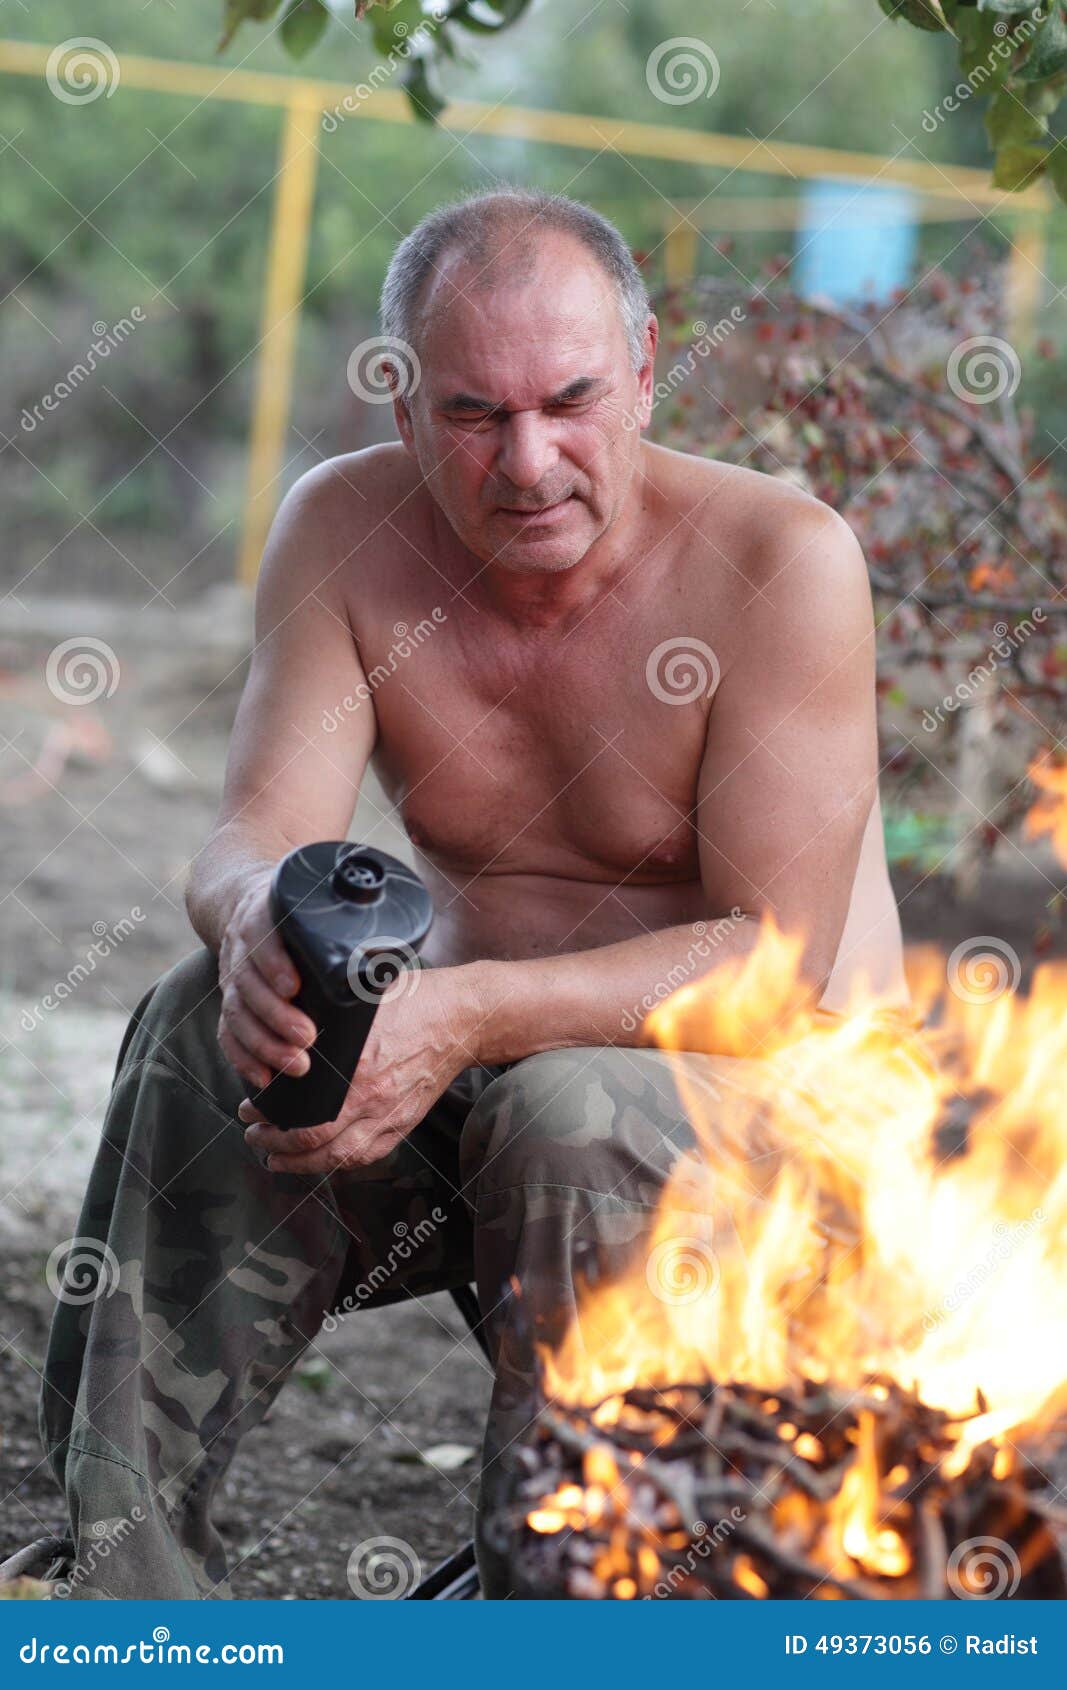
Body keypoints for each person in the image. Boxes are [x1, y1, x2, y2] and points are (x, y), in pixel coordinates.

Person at [39, 186, 910, 1599]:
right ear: (401, 406)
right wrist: (256, 912)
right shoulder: (344, 530)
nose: (528, 460)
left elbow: (778, 965)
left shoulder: (779, 561)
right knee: (212, 1019)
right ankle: (131, 1588)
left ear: (642, 373)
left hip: (784, 1152)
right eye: (472, 414)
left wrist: (461, 1017)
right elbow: (249, 835)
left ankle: (568, 1606)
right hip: (489, 1098)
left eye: (570, 400)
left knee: (568, 1104)